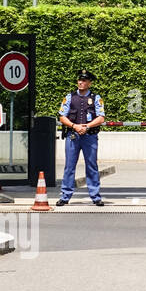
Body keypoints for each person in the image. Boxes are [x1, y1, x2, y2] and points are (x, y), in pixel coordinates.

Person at [57, 70, 106, 206]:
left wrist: (87, 126)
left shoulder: (96, 98)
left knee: (92, 166)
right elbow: (61, 116)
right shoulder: (69, 97)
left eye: (84, 80)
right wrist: (74, 126)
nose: (80, 82)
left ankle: (95, 197)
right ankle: (65, 196)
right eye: (79, 80)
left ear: (89, 83)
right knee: (69, 167)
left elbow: (101, 118)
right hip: (73, 135)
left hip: (89, 136)